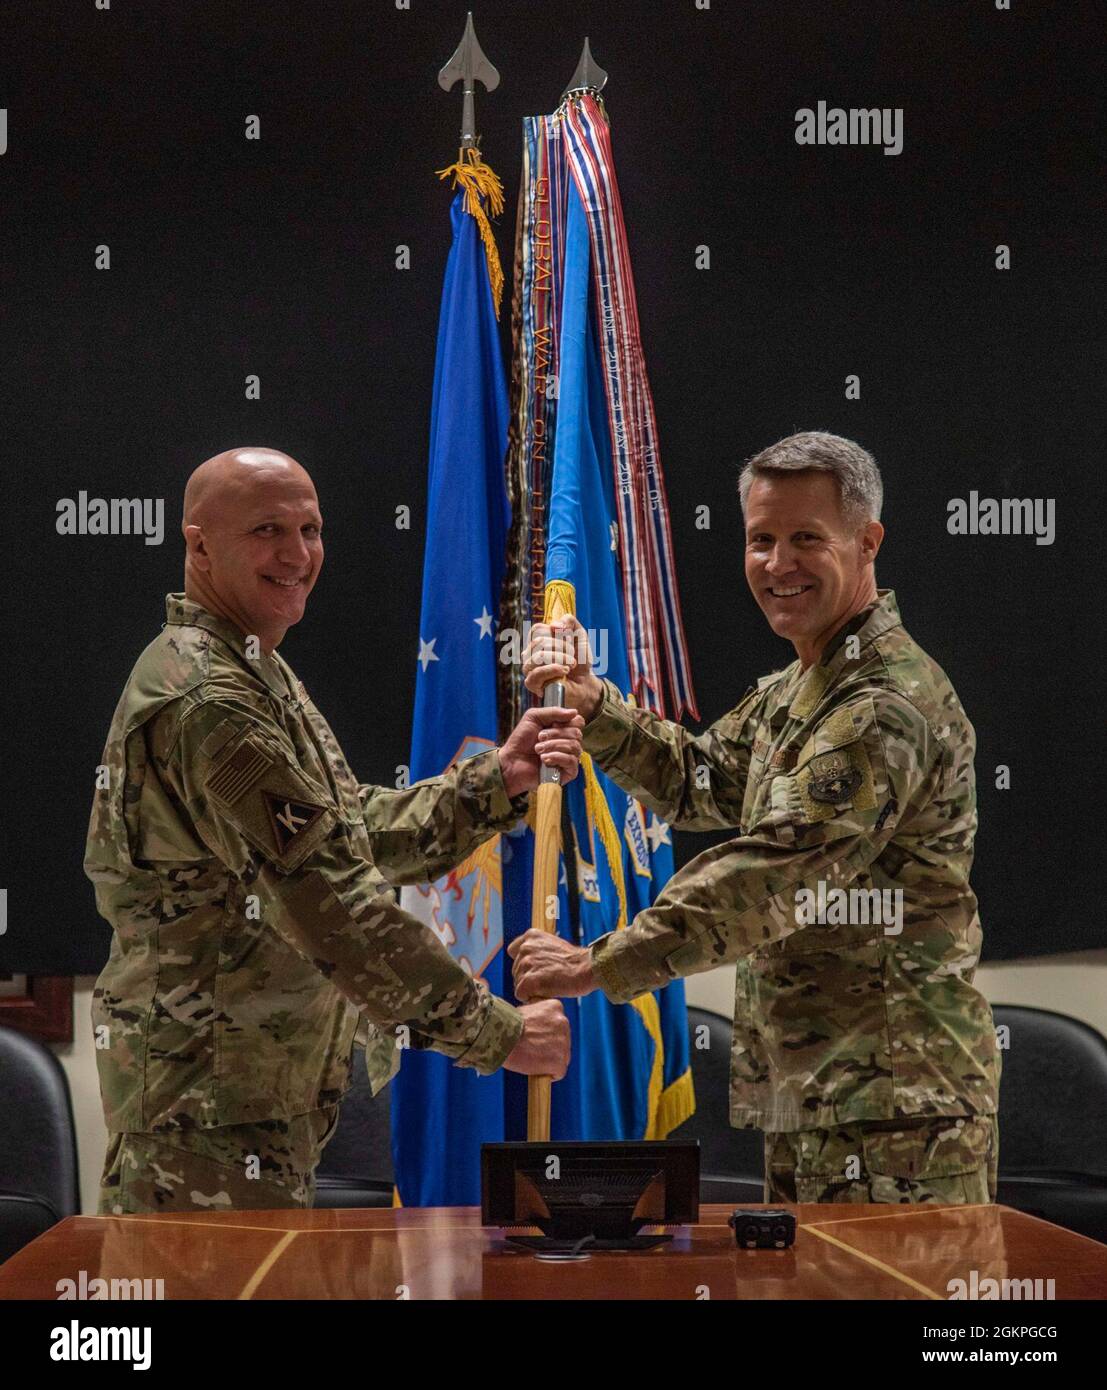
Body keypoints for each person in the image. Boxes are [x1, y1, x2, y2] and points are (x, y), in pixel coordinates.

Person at [85, 447, 581, 1213]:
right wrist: (495, 1033)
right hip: (205, 1115)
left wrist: (496, 782)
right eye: (267, 530)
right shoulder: (209, 698)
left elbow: (347, 833)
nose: (297, 553)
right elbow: (332, 903)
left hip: (248, 1097)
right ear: (198, 546)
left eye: (310, 529)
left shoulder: (252, 668)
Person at [512, 431, 1001, 1205]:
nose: (778, 565)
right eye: (760, 540)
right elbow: (699, 782)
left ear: (867, 541)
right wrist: (592, 705)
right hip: (818, 1090)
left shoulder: (879, 704)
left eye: (806, 538)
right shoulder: (799, 687)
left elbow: (771, 878)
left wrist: (596, 964)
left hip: (895, 1112)